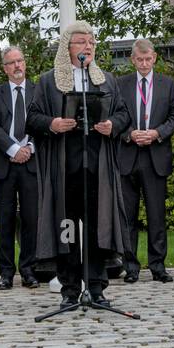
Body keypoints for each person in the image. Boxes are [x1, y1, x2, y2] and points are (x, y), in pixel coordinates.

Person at [26, 21, 131, 310]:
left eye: (91, 42)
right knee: (67, 228)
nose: (88, 47)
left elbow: (124, 114)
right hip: (65, 169)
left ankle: (96, 287)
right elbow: (32, 118)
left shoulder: (106, 80)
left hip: (98, 167)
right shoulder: (49, 81)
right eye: (81, 42)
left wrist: (113, 125)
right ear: (67, 47)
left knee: (98, 228)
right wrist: (53, 123)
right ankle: (70, 289)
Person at [115, 37, 174, 283]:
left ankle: (158, 266)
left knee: (156, 216)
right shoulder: (121, 84)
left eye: (148, 59)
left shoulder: (167, 84)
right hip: (128, 156)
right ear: (132, 60)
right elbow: (115, 117)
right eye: (139, 59)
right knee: (128, 217)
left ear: (154, 58)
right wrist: (129, 133)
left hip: (155, 156)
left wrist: (157, 133)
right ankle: (131, 267)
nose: (144, 63)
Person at [0, 46, 39, 289]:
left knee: (31, 218)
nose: (17, 66)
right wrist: (13, 149)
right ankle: (6, 273)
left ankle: (28, 269)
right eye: (12, 62)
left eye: (20, 61)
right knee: (6, 219)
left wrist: (27, 148)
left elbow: (43, 123)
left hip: (31, 162)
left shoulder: (38, 91)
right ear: (4, 68)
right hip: (6, 163)